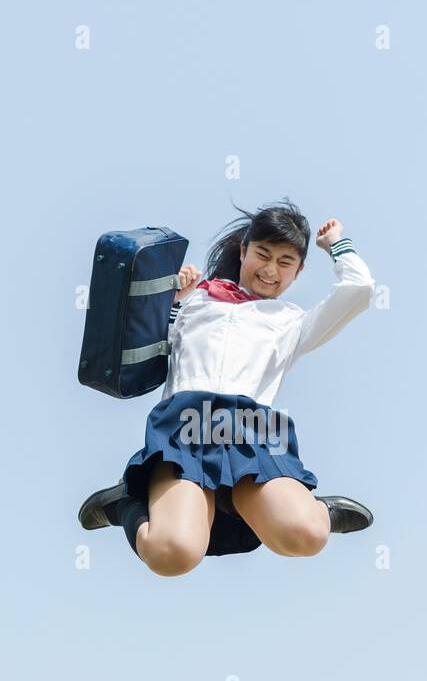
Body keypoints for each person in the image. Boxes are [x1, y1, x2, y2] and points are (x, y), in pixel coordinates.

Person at [78, 198, 375, 576]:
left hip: (251, 432)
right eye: (262, 254)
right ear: (243, 250)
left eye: (285, 263)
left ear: (298, 272)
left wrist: (336, 244)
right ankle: (126, 504)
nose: (270, 270)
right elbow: (149, 348)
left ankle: (320, 510)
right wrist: (172, 299)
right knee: (172, 555)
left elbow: (360, 288)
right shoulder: (197, 300)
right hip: (184, 428)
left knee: (304, 535)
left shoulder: (292, 321)